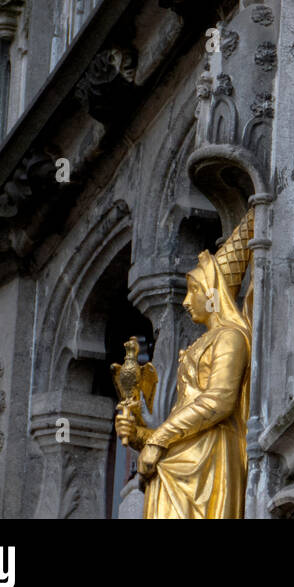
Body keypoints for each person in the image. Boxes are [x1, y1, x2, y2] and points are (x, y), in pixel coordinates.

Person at [115, 212, 253, 518]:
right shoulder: (202, 343)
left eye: (194, 290)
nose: (187, 300)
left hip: (207, 459)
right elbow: (185, 413)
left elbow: (219, 400)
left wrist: (160, 439)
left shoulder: (230, 338)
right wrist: (140, 436)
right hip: (182, 459)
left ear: (213, 295)